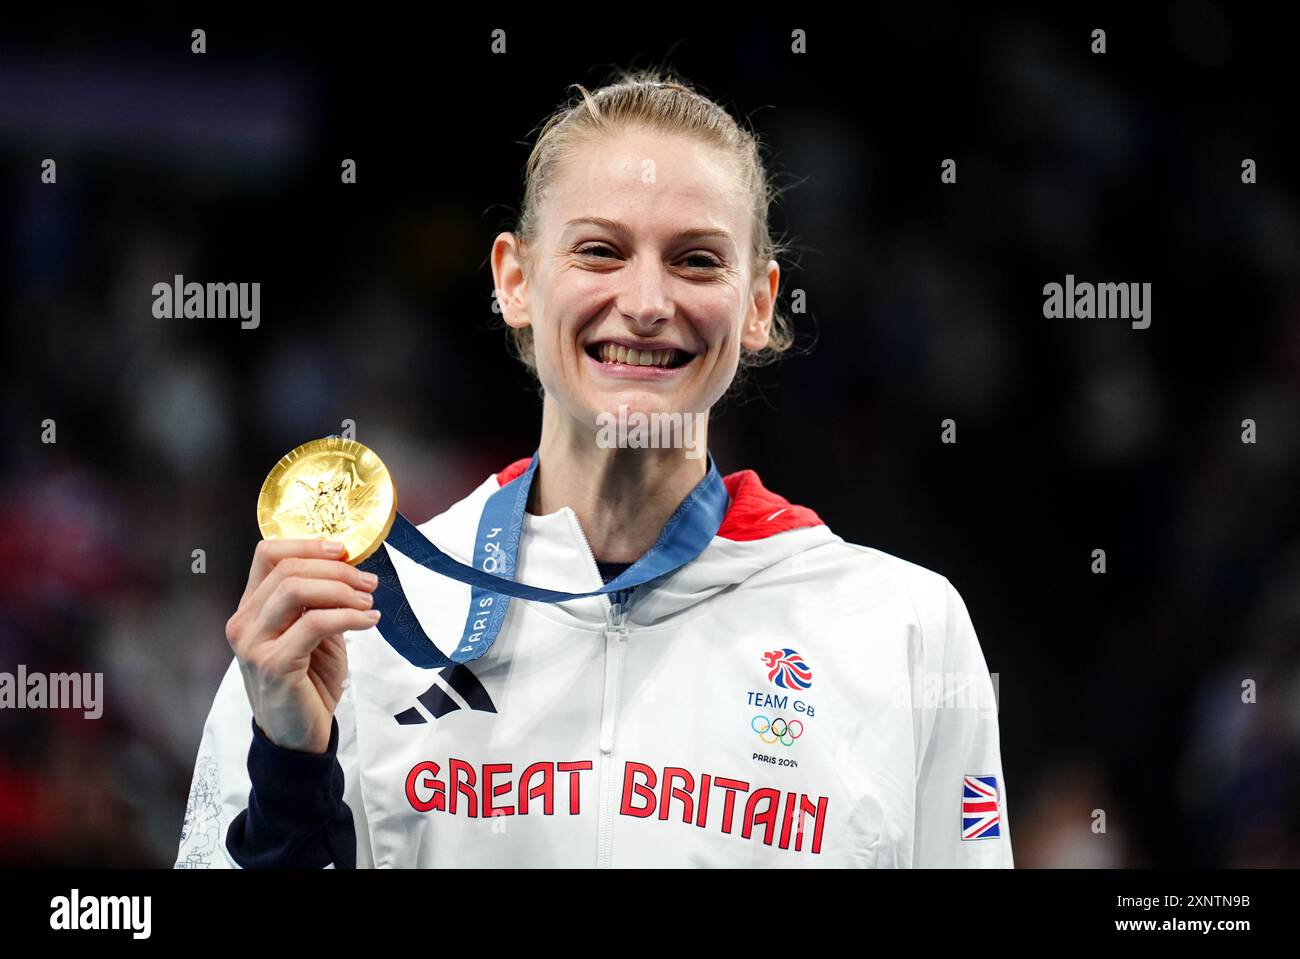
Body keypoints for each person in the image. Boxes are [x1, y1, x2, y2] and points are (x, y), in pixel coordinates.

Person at [175, 70, 1013, 868]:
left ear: (758, 304)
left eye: (696, 259)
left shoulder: (901, 628)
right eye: (601, 251)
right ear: (515, 281)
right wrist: (288, 772)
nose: (647, 303)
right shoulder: (354, 621)